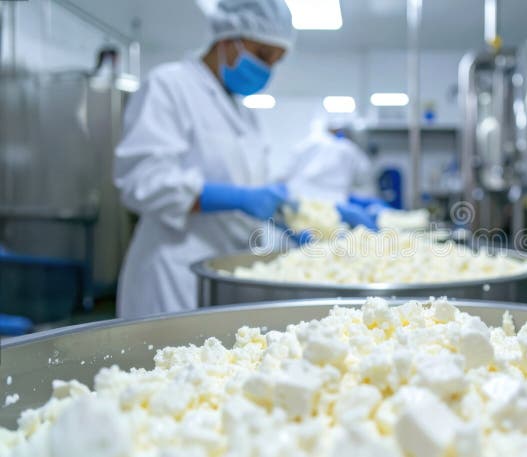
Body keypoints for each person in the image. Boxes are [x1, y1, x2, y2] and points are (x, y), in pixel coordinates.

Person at [114, 0, 372, 319]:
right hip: (174, 269)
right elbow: (142, 181)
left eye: (275, 62)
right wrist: (227, 198)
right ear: (229, 38)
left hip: (226, 267)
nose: (266, 70)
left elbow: (258, 189)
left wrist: (305, 215)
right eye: (263, 55)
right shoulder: (169, 86)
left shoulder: (243, 111)